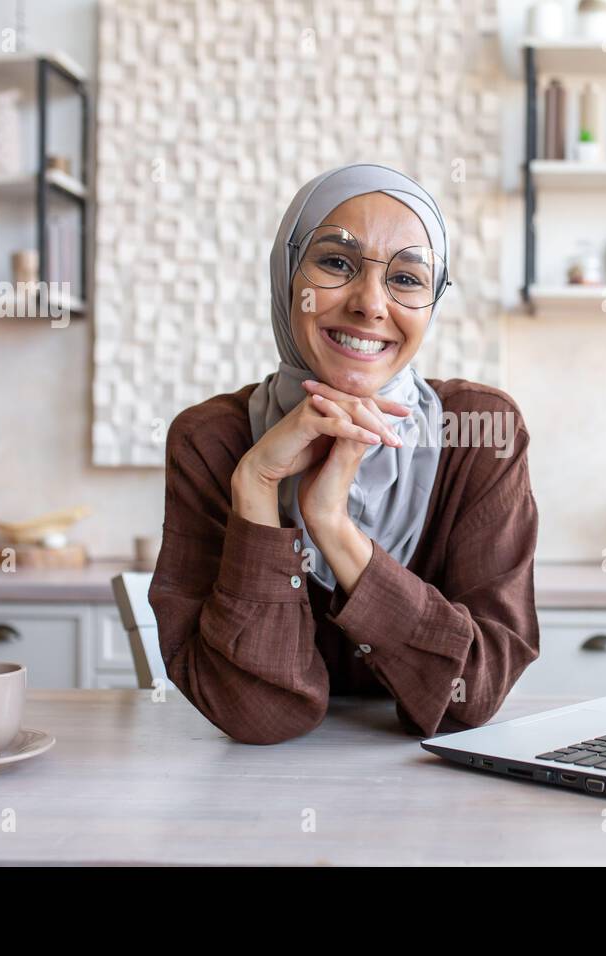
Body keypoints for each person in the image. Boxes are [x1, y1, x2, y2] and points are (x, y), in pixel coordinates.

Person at [149, 163, 539, 744]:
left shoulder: (480, 432)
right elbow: (258, 712)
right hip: (253, 806)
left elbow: (471, 696)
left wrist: (333, 526)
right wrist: (256, 484)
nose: (370, 304)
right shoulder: (213, 441)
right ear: (287, 278)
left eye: (407, 279)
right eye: (336, 263)